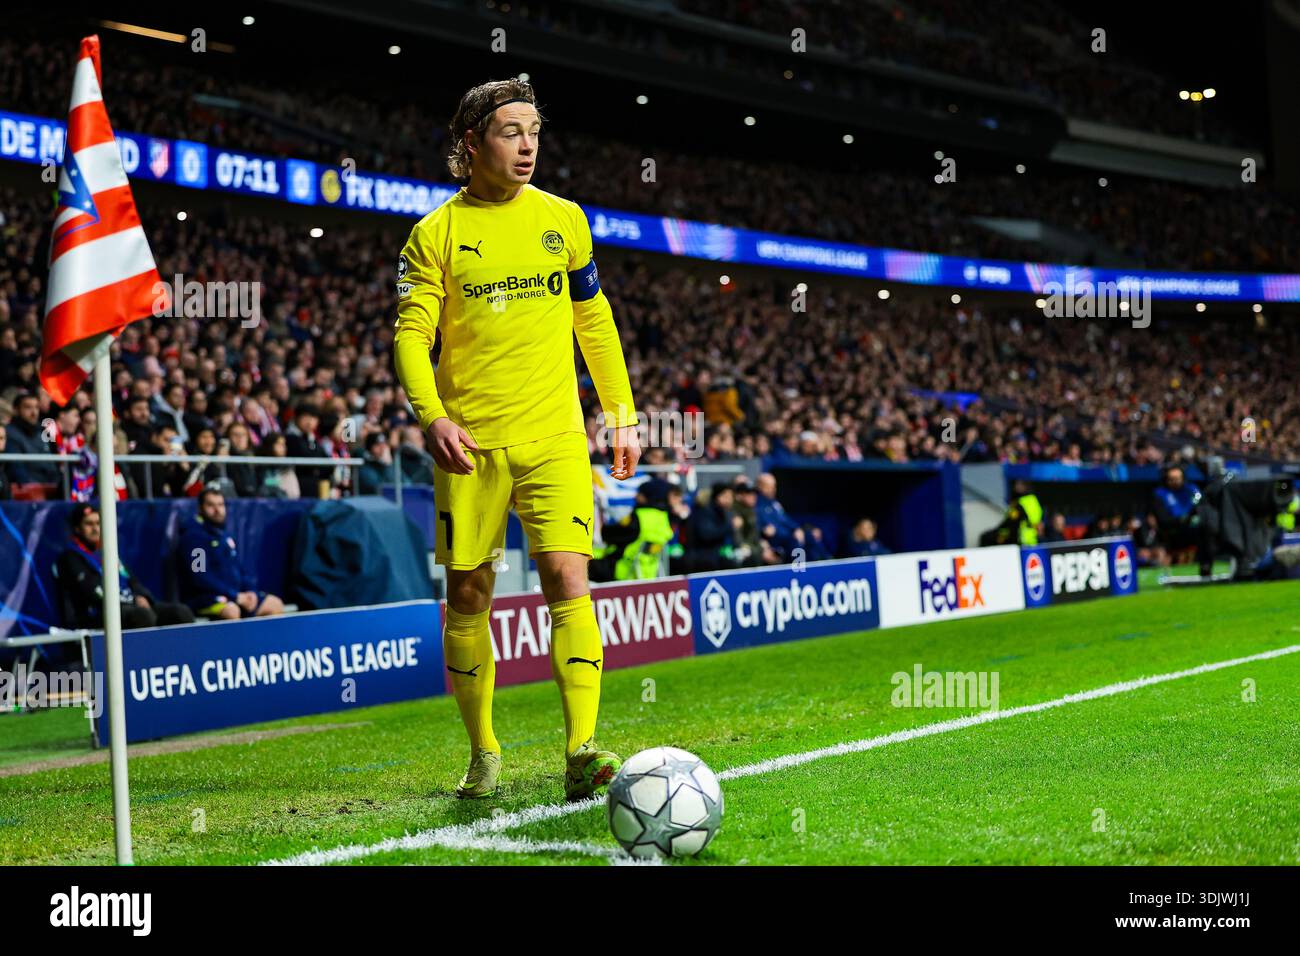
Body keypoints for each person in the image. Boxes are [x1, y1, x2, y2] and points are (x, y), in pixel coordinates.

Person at [392, 78, 640, 802]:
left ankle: (582, 750)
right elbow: (412, 335)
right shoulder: (434, 234)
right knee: (469, 594)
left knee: (569, 578)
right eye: (511, 131)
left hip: (557, 436)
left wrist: (620, 412)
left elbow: (593, 320)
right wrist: (430, 414)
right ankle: (484, 751)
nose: (528, 144)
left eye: (534, 129)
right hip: (470, 442)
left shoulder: (564, 219)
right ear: (472, 144)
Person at [56, 504, 195, 630]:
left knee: (180, 612)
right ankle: (145, 658)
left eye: (98, 523)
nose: (95, 529)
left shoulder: (107, 552)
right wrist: (132, 601)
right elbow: (92, 592)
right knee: (141, 616)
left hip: (128, 605)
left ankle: (185, 657)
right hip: (98, 613)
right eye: (89, 524)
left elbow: (131, 580)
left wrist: (142, 596)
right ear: (77, 529)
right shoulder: (71, 557)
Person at [178, 486, 285, 620]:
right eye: (211, 505)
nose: (217, 510)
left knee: (274, 604)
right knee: (231, 611)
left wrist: (249, 591)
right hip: (205, 598)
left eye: (220, 504)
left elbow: (239, 570)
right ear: (200, 508)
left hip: (236, 595)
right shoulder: (194, 538)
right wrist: (234, 596)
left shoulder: (224, 536)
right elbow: (199, 577)